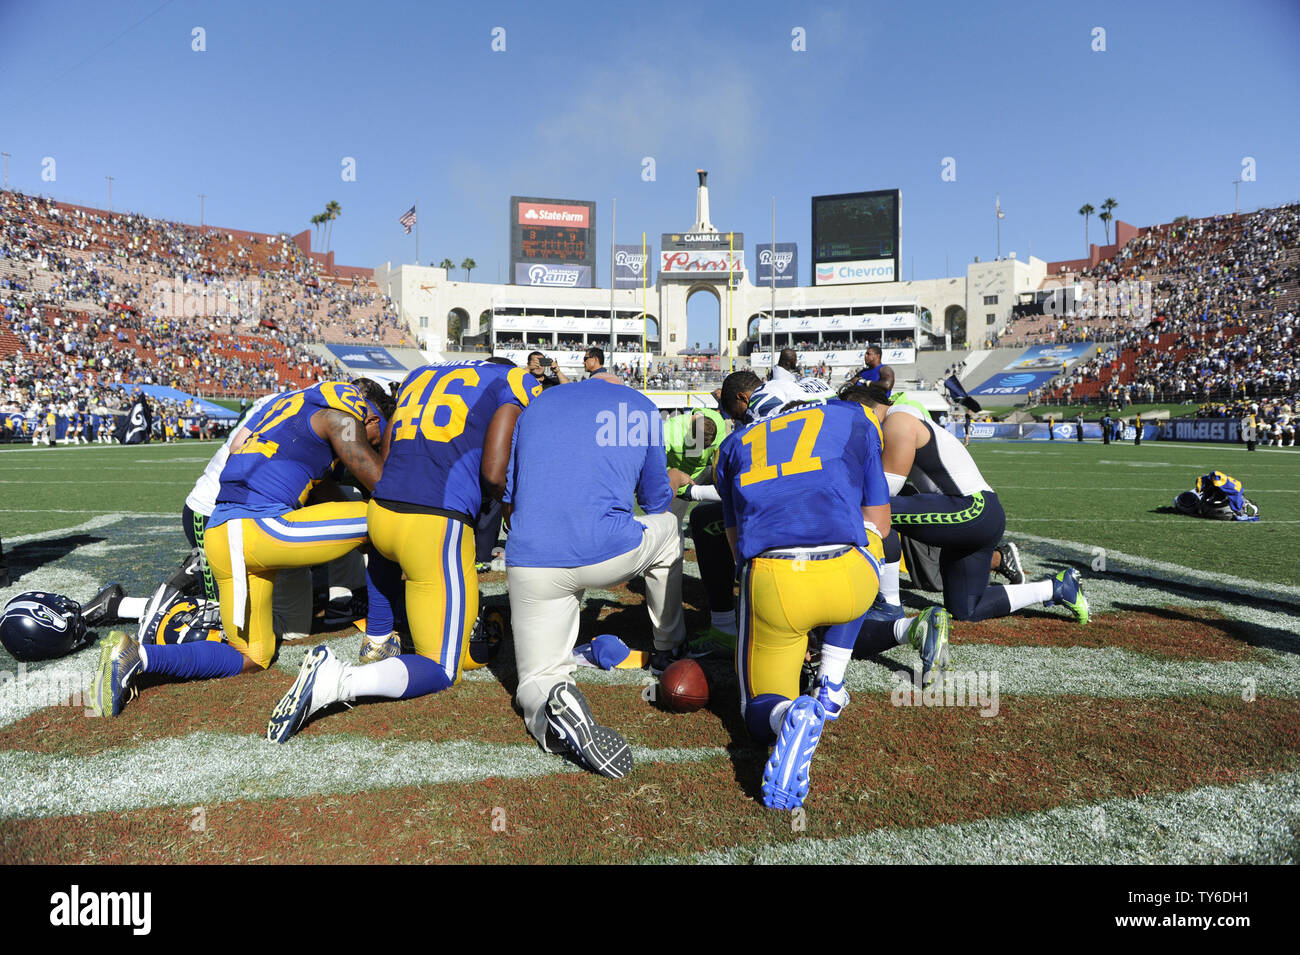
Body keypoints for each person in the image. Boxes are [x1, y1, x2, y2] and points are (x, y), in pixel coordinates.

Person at [266, 359, 542, 743]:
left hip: (382, 511)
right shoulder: (515, 380)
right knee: (444, 667)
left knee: (398, 583)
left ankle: (378, 639)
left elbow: (391, 445)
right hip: (433, 521)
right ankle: (340, 681)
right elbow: (495, 473)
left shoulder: (418, 374)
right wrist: (513, 509)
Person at [90, 381, 389, 718]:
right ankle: (381, 636)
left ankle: (137, 656)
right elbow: (375, 475)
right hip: (262, 528)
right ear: (372, 416)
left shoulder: (285, 406)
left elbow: (242, 450)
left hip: (223, 533)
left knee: (253, 656)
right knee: (390, 516)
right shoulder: (344, 410)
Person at [715, 394, 890, 810]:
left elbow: (737, 548)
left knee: (757, 710)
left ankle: (787, 716)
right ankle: (831, 682)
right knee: (874, 543)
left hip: (777, 584)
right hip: (849, 579)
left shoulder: (735, 443)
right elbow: (879, 521)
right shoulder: (853, 419)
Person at [504, 375, 685, 779]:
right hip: (608, 550)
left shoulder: (536, 406)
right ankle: (667, 646)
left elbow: (511, 496)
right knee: (669, 528)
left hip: (531, 557)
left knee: (536, 677)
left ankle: (554, 696)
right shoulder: (638, 406)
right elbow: (657, 501)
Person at [852, 383, 1090, 627]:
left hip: (970, 509)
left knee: (874, 511)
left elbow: (885, 492)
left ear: (864, 408)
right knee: (966, 609)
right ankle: (1056, 587)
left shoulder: (897, 419)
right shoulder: (907, 415)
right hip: (982, 515)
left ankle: (889, 605)